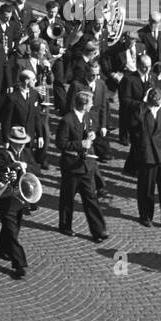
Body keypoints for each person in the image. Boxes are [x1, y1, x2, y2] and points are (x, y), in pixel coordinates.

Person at [56, 88, 106, 240]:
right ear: (84, 104)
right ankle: (65, 225)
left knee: (91, 198)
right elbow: (60, 143)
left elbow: (92, 127)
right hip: (72, 166)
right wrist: (80, 144)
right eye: (90, 103)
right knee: (68, 198)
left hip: (87, 166)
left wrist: (93, 134)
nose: (92, 105)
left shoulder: (88, 116)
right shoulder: (67, 120)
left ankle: (99, 230)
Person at [0, 130, 32, 279]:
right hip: (6, 198)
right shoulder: (5, 155)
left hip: (19, 198)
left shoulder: (25, 154)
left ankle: (1, 249)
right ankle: (20, 264)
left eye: (22, 143)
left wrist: (25, 166)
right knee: (12, 231)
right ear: (12, 142)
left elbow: (35, 170)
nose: (20, 146)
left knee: (14, 227)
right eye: (18, 144)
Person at [133, 85, 161, 230]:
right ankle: (146, 216)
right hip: (146, 154)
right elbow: (133, 130)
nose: (160, 104)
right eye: (158, 101)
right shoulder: (141, 110)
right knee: (147, 188)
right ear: (152, 100)